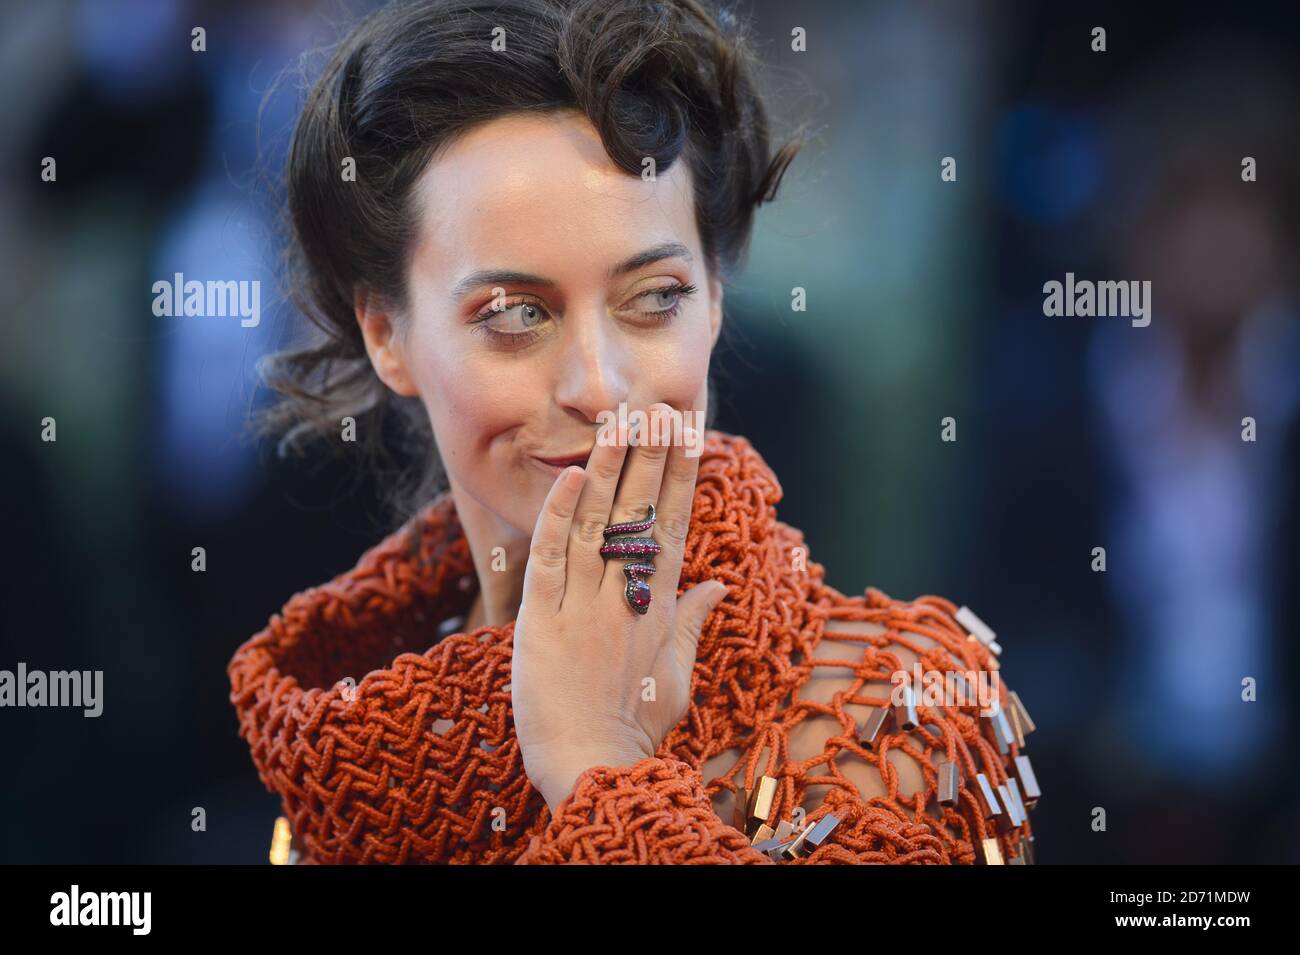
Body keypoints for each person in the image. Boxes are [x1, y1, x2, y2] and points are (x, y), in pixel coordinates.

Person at [227, 0, 1038, 864]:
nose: (599, 385)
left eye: (654, 299)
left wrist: (596, 767)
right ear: (387, 334)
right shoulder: (340, 747)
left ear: (717, 299)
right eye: (513, 314)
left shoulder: (901, 703)